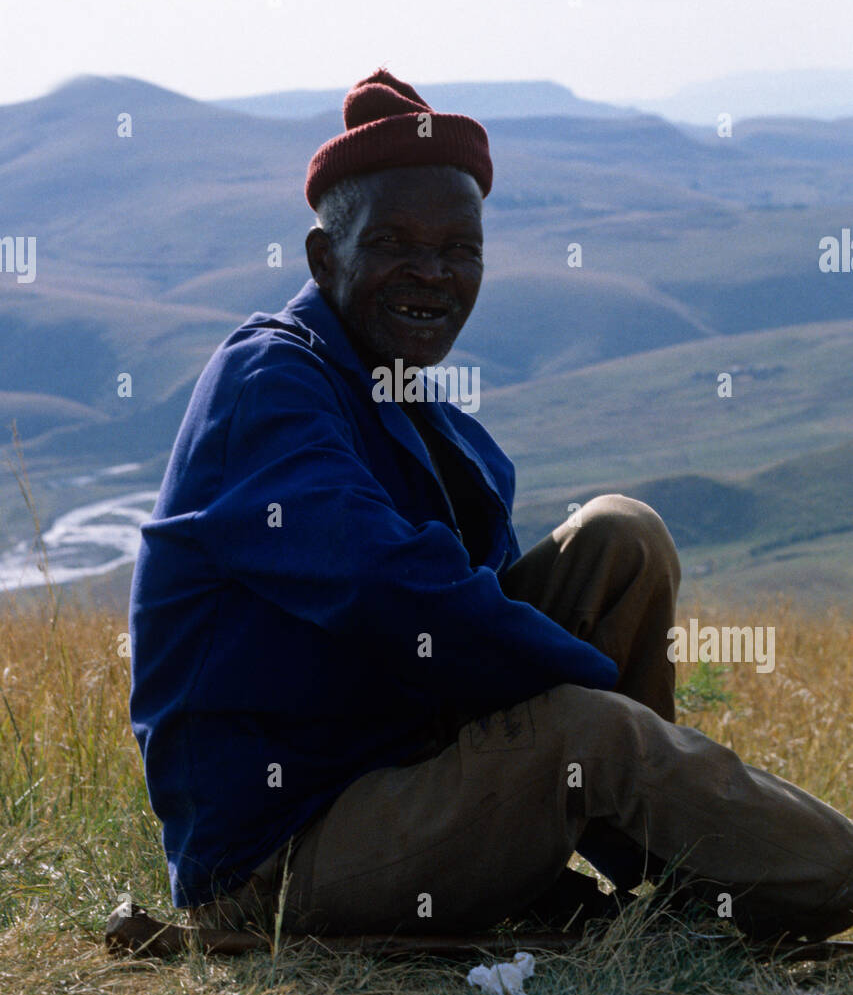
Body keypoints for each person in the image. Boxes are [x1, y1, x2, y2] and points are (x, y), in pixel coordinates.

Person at [129, 68, 853, 942]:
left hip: (404, 765)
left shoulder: (407, 398)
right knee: (590, 731)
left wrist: (584, 714)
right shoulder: (270, 383)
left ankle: (680, 879)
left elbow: (472, 618)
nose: (431, 274)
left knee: (620, 537)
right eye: (395, 243)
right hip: (284, 852)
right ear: (325, 259)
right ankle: (827, 881)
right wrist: (596, 708)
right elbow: (392, 589)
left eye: (459, 249)